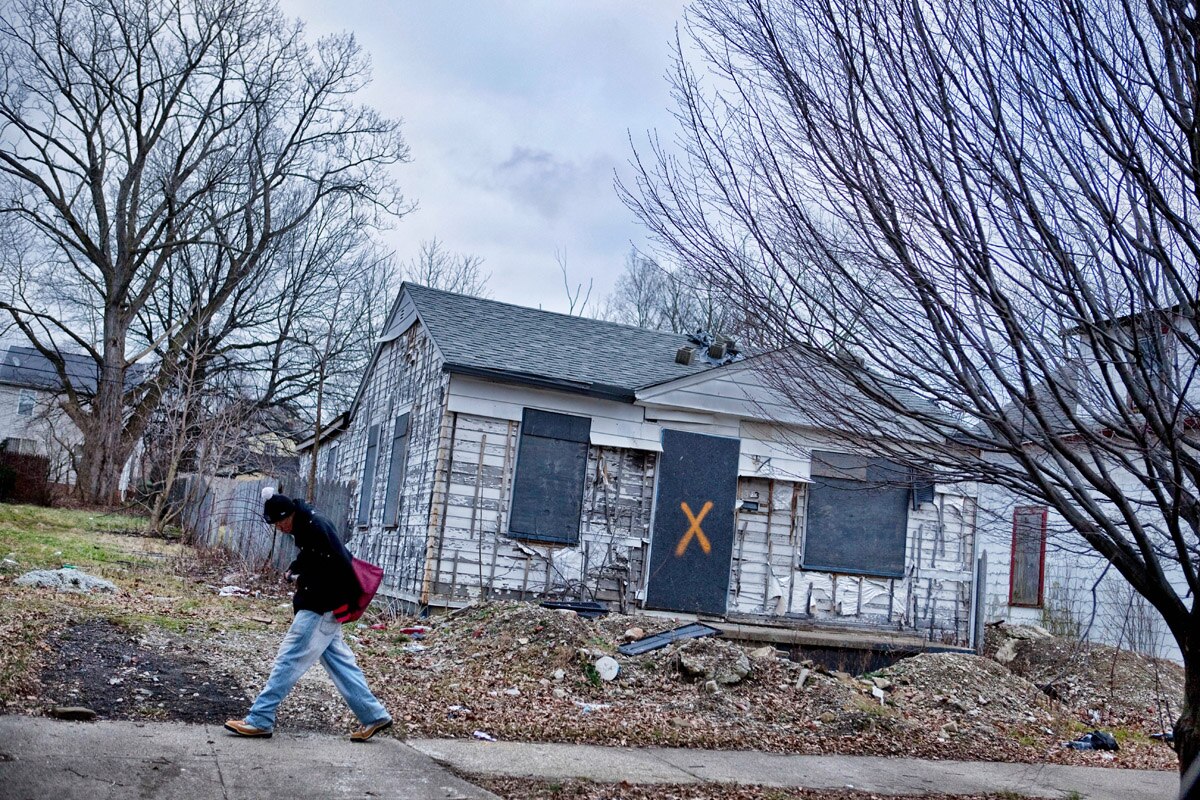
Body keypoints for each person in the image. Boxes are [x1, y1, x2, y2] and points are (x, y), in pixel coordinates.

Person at [224, 489, 393, 742]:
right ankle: (374, 715)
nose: (279, 528)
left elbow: (339, 566)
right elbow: (315, 556)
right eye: (275, 524)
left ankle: (260, 719)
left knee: (288, 660)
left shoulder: (314, 527)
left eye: (280, 522)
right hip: (325, 607)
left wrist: (309, 584)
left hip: (318, 608)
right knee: (341, 664)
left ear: (289, 514)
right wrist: (296, 568)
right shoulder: (308, 524)